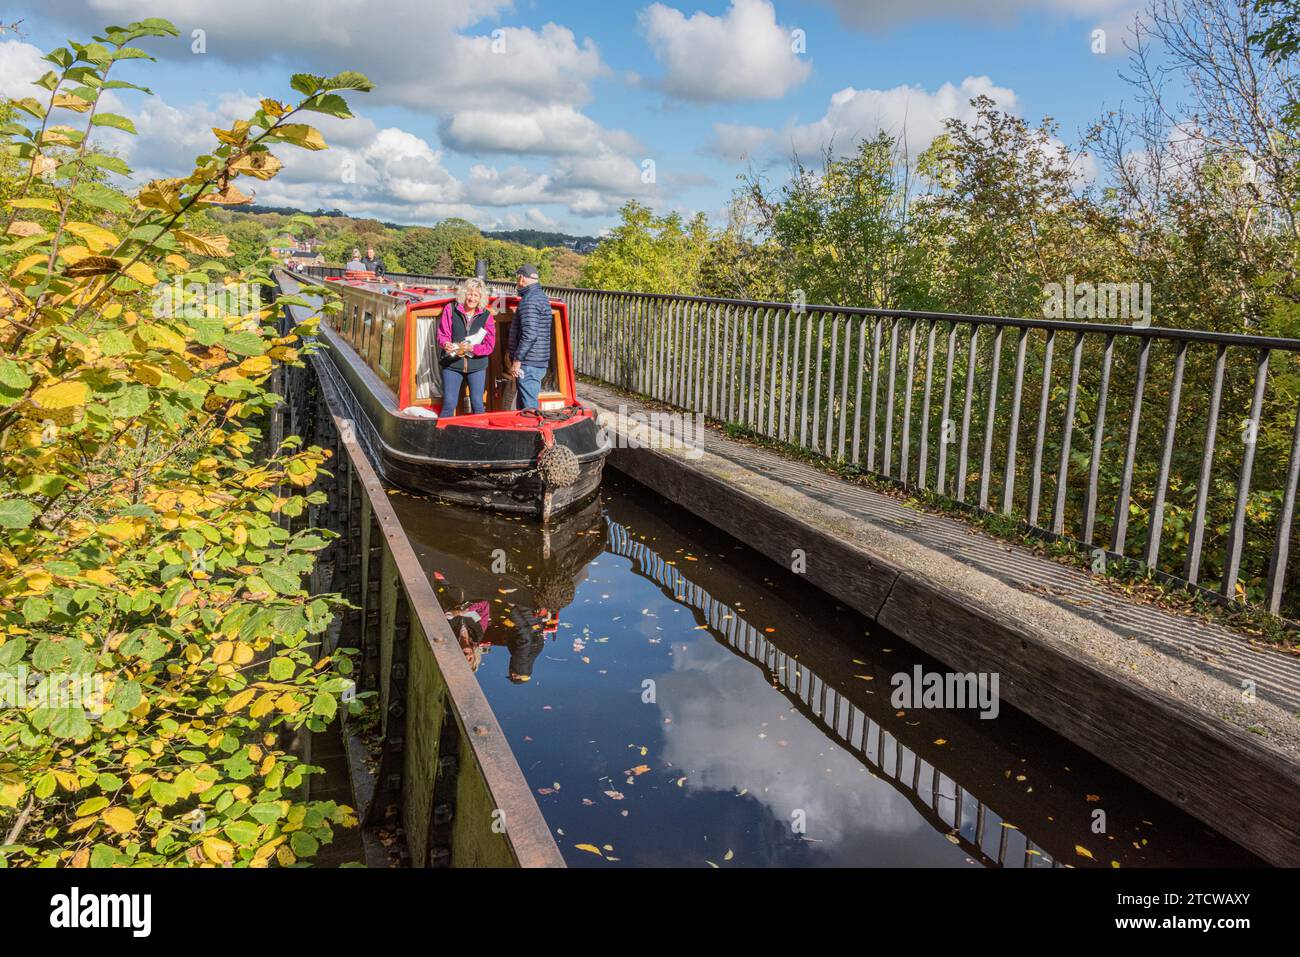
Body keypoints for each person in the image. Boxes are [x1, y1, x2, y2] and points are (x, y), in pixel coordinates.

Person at [437, 277, 496, 415]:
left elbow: (490, 345)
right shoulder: (450, 309)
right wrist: (446, 344)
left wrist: (472, 348)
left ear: (481, 298)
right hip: (452, 364)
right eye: (470, 294)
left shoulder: (487, 316)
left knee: (477, 403)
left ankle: (479, 435)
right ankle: (443, 433)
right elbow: (442, 334)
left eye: (476, 295)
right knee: (449, 403)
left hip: (477, 366)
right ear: (464, 294)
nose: (472, 298)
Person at [506, 263, 552, 410]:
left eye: (516, 278)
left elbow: (529, 335)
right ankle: (525, 430)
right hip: (537, 360)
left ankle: (534, 432)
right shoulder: (540, 296)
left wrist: (518, 360)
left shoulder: (529, 300)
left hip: (529, 362)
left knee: (530, 407)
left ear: (521, 278)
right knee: (524, 404)